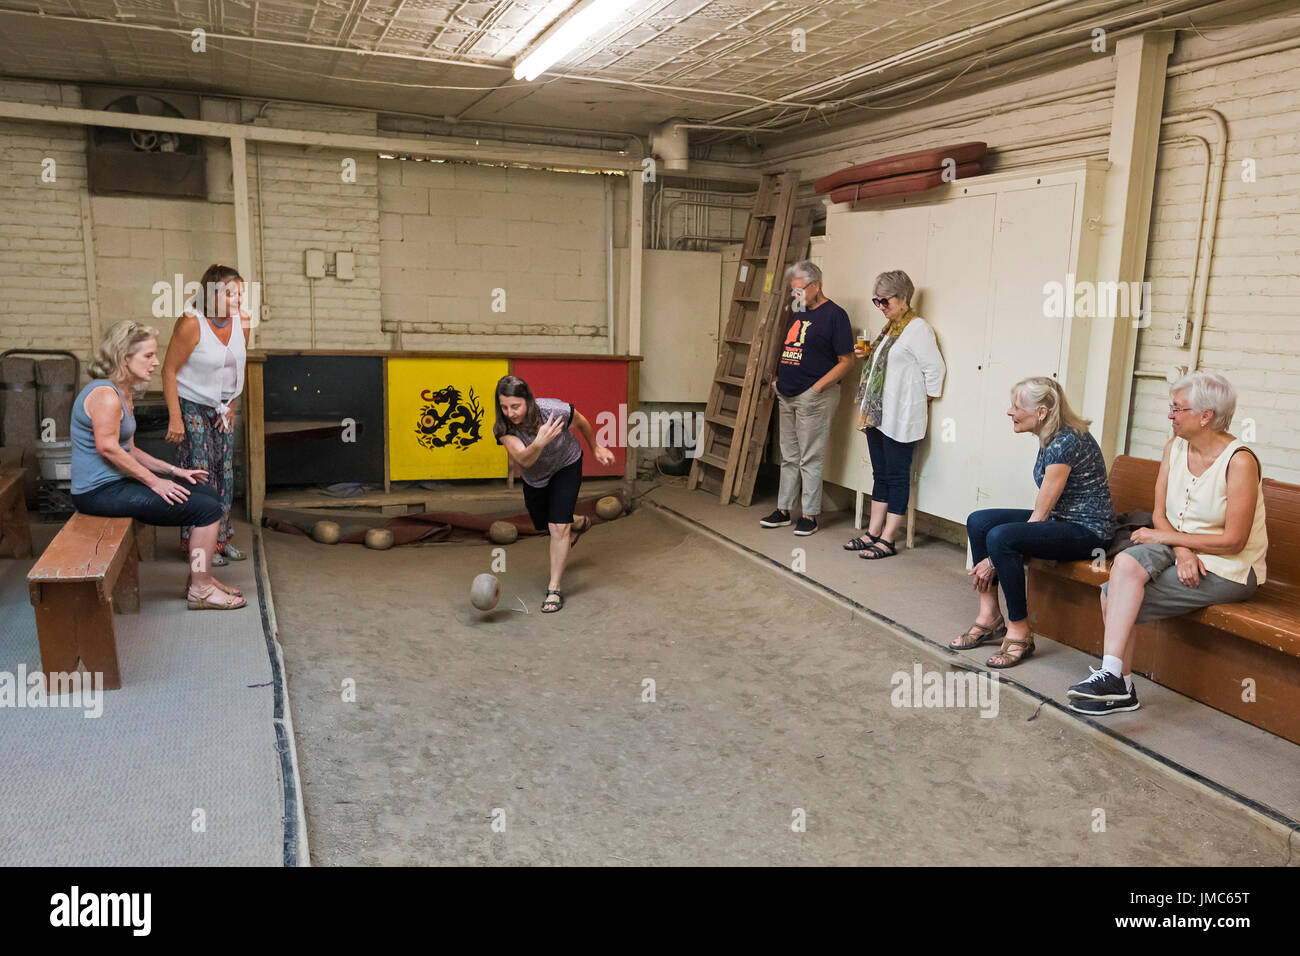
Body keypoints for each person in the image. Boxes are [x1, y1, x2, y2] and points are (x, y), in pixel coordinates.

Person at [1066, 371, 1267, 715]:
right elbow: (1160, 514)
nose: (1169, 415)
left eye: (1177, 409)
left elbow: (1234, 541)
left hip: (1230, 566)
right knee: (1126, 564)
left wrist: (1166, 539)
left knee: (1110, 595)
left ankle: (1120, 685)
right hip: (1180, 548)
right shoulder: (1174, 447)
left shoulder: (1240, 461)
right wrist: (1182, 550)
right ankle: (1115, 678)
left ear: (1206, 416)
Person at [70, 320, 245, 610]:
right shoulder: (105, 396)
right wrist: (155, 481)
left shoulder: (123, 393)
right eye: (148, 356)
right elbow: (108, 447)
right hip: (97, 493)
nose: (156, 362)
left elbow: (130, 449)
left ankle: (200, 577)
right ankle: (200, 590)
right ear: (123, 357)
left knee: (209, 495)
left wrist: (175, 472)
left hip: (116, 484)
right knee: (206, 509)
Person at [951, 377, 1113, 668]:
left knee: (1001, 538)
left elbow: (1038, 518)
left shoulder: (1067, 441)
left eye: (1016, 406)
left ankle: (1020, 631)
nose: (1009, 412)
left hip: (1087, 532)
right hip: (1062, 520)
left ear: (1042, 411)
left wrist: (991, 559)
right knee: (979, 522)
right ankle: (990, 617)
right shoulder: (1051, 435)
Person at [844, 270, 945, 559]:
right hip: (877, 414)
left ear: (903, 298)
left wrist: (921, 400)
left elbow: (935, 370)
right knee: (881, 474)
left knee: (898, 476)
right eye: (876, 301)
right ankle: (873, 531)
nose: (881, 306)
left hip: (900, 416)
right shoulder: (890, 328)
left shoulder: (918, 329)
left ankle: (888, 538)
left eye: (885, 301)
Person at [493, 375, 615, 613]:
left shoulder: (554, 409)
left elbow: (581, 421)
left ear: (527, 400)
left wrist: (595, 447)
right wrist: (539, 443)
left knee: (558, 527)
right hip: (535, 478)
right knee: (544, 523)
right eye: (504, 407)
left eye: (515, 406)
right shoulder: (504, 427)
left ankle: (554, 588)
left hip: (566, 465)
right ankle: (576, 520)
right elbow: (523, 459)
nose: (510, 412)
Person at [162, 264, 250, 567]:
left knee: (226, 472)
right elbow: (169, 370)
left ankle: (221, 539)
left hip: (223, 406)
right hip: (193, 403)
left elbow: (238, 368)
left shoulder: (243, 322)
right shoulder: (191, 323)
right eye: (229, 293)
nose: (237, 299)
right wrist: (175, 417)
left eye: (239, 293)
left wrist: (233, 409)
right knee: (200, 471)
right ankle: (196, 544)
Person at [759, 260, 855, 537]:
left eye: (800, 290)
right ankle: (783, 510)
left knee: (810, 458)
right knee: (788, 456)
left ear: (816, 286)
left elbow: (846, 361)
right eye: (793, 291)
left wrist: (816, 388)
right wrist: (778, 380)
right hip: (786, 392)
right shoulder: (798, 311)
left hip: (814, 397)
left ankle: (810, 515)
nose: (796, 296)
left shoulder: (835, 315)